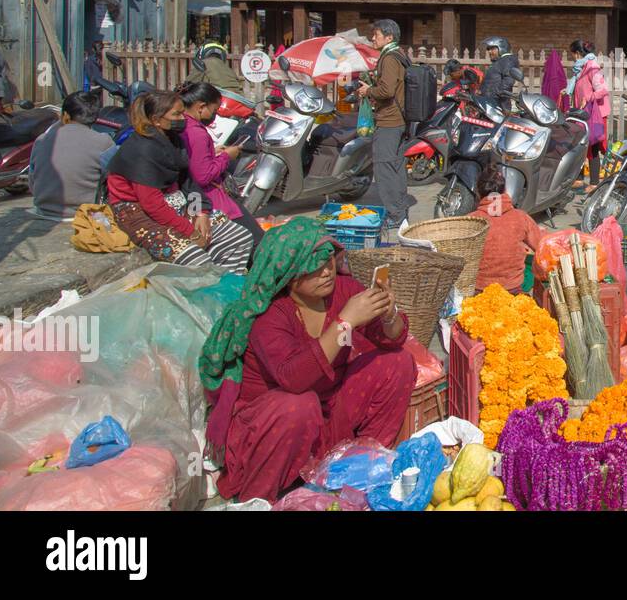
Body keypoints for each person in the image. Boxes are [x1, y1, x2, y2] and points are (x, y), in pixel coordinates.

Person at [198, 218, 414, 503]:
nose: (326, 272)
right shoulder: (269, 314)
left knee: (397, 363)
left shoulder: (342, 290)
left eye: (329, 262)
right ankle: (260, 499)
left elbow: (391, 338)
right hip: (274, 427)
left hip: (327, 413)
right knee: (299, 404)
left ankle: (356, 468)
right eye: (314, 267)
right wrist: (345, 322)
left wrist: (388, 314)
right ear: (289, 274)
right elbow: (295, 379)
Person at [105, 89, 255, 271]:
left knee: (239, 237)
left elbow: (187, 180)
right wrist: (190, 231)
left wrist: (201, 212)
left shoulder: (172, 140)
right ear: (156, 120)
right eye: (176, 114)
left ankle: (227, 285)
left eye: (182, 112)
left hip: (173, 200)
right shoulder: (142, 151)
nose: (182, 118)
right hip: (137, 211)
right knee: (197, 261)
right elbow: (152, 204)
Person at [176, 80, 261, 244]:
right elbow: (203, 176)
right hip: (210, 199)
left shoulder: (184, 126)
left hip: (194, 197)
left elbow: (191, 159)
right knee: (255, 239)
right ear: (201, 107)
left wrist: (211, 153)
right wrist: (227, 156)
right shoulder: (197, 133)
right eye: (214, 110)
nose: (215, 115)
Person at [355, 19, 414, 232]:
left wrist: (368, 91)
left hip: (389, 120)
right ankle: (400, 211)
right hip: (398, 120)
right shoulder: (399, 55)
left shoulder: (389, 58)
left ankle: (395, 216)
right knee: (395, 167)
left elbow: (387, 91)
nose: (373, 38)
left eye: (377, 35)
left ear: (389, 37)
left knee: (384, 169)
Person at [29, 91, 115, 221]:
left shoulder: (42, 139)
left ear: (65, 115)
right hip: (84, 214)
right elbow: (113, 180)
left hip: (43, 210)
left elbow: (32, 180)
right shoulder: (104, 141)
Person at [469, 164, 542, 292]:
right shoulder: (521, 217)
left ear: (478, 192)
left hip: (478, 290)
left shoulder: (470, 220)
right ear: (505, 191)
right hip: (512, 288)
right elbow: (541, 246)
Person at [567, 39, 610, 191]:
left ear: (578, 53)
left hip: (595, 114)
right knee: (581, 144)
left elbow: (603, 90)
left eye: (573, 54)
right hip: (585, 113)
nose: (573, 57)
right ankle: (578, 179)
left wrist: (589, 97)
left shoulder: (592, 68)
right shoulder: (581, 69)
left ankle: (594, 182)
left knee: (592, 148)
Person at [479, 36, 520, 106]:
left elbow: (508, 81)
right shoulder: (500, 61)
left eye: (492, 49)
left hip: (499, 104)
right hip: (490, 101)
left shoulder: (508, 60)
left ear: (501, 48)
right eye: (488, 49)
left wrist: (496, 95)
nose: (489, 51)